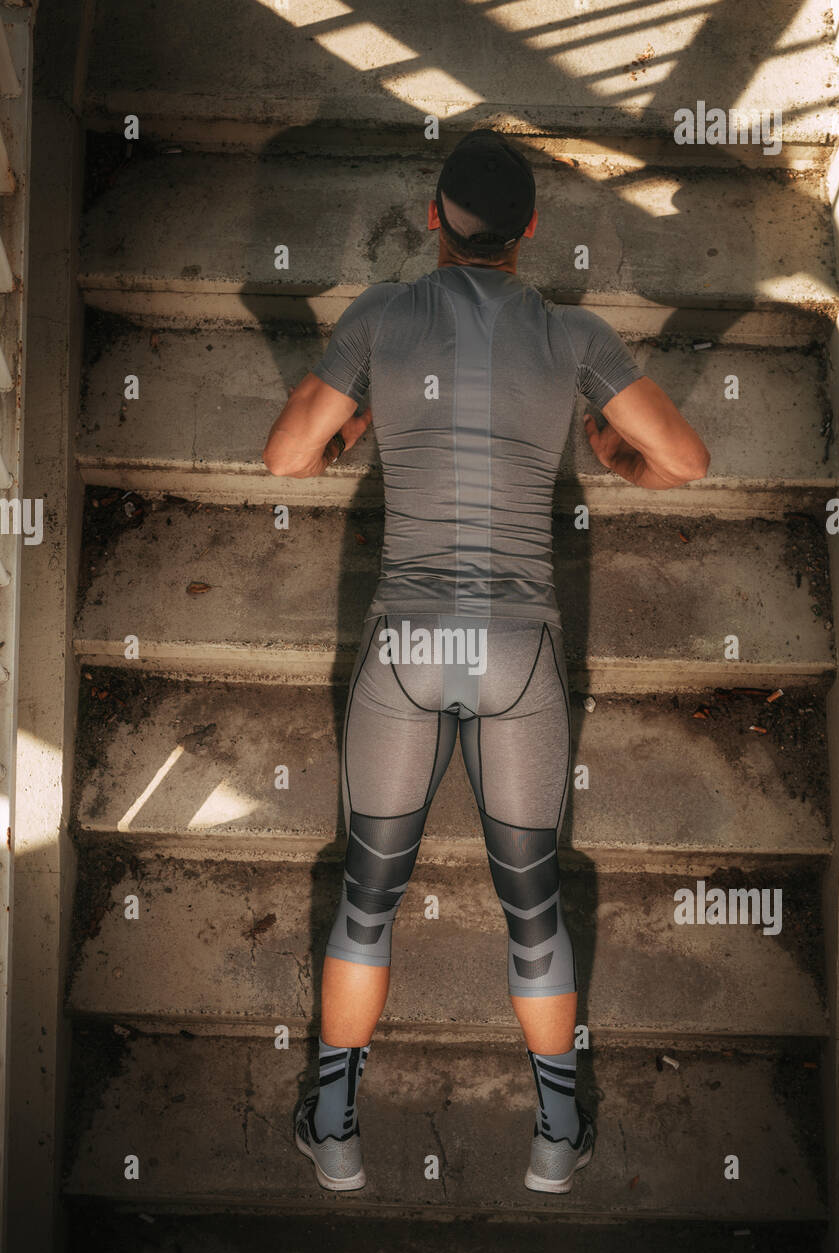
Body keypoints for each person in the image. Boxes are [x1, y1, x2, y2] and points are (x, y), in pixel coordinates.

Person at [263, 129, 710, 1196]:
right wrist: (607, 452)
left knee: (366, 902)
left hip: (411, 644)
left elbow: (285, 455)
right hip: (516, 653)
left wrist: (354, 431)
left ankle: (334, 1129)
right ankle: (555, 1139)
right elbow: (686, 460)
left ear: (433, 217)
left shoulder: (380, 315)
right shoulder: (574, 333)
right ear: (529, 234)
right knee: (533, 907)